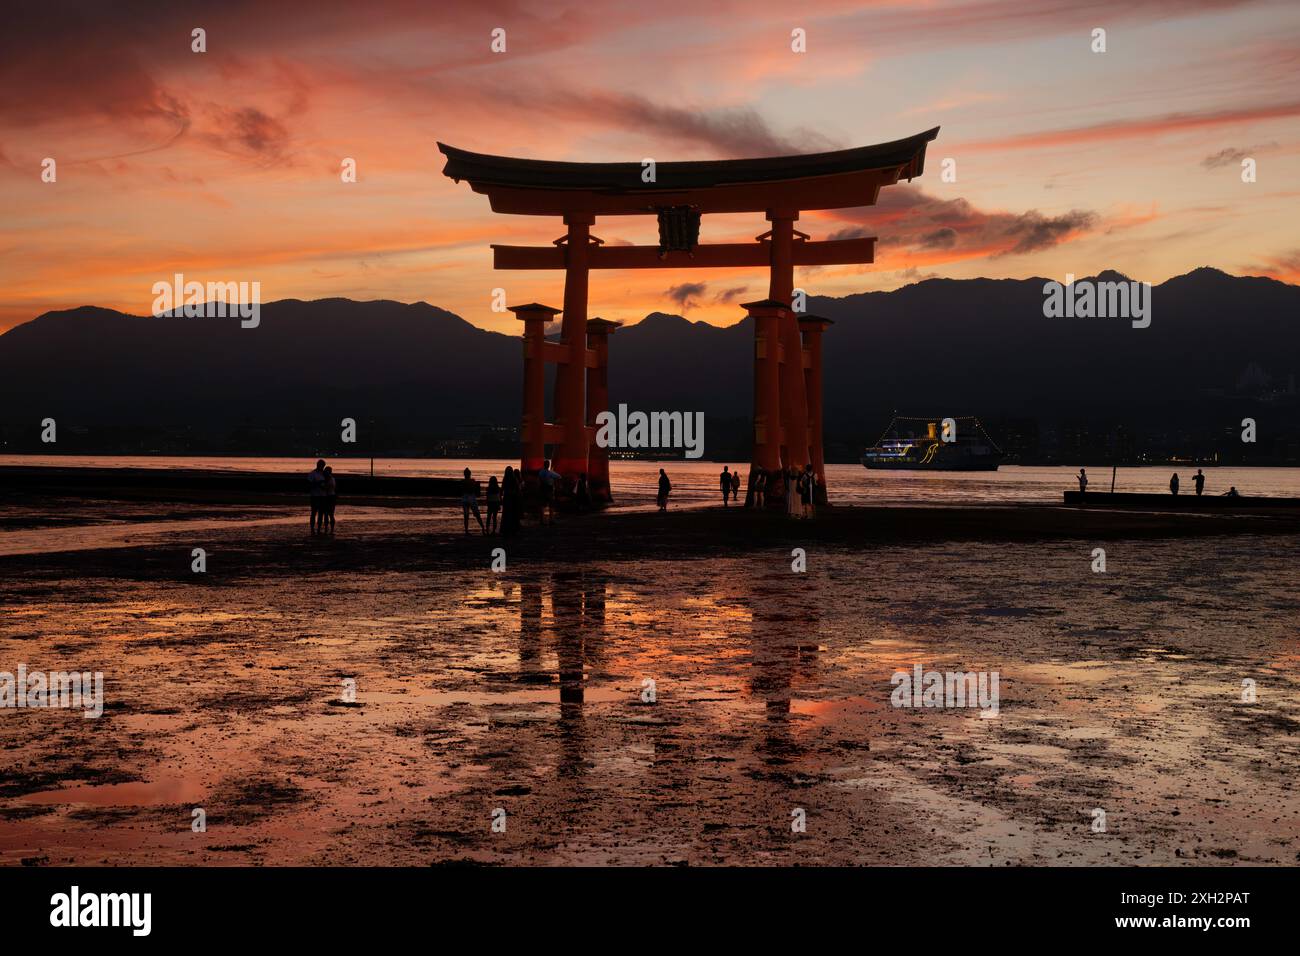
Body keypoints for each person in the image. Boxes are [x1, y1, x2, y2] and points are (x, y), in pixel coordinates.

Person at [461, 467, 485, 535]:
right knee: (477, 514)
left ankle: (466, 531)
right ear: (470, 474)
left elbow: (462, 490)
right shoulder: (472, 481)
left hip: (465, 498)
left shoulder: (463, 481)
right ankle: (483, 528)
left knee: (466, 516)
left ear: (464, 474)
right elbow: (474, 490)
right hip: (471, 497)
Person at [537, 459, 561, 526]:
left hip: (542, 490)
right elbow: (559, 476)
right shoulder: (550, 473)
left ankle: (541, 521)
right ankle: (551, 520)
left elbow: (539, 481)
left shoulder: (540, 472)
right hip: (549, 490)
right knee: (551, 505)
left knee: (542, 506)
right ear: (548, 465)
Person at [308, 459, 327, 533]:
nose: (322, 467)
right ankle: (312, 529)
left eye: (323, 466)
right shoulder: (312, 473)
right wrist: (318, 484)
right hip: (315, 496)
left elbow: (327, 483)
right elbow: (309, 485)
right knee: (313, 512)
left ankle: (319, 528)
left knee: (321, 513)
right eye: (321, 465)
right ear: (318, 465)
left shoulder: (325, 474)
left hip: (323, 496)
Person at [501, 466, 521, 536]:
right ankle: (513, 529)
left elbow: (502, 489)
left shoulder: (505, 479)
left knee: (506, 514)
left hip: (506, 498)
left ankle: (505, 529)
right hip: (513, 498)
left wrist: (500, 497)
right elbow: (518, 489)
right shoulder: (514, 479)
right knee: (513, 514)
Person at [323, 465, 337, 532]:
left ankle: (329, 529)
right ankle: (329, 529)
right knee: (329, 514)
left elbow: (326, 488)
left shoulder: (329, 479)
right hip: (331, 496)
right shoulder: (332, 479)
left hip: (329, 497)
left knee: (329, 514)